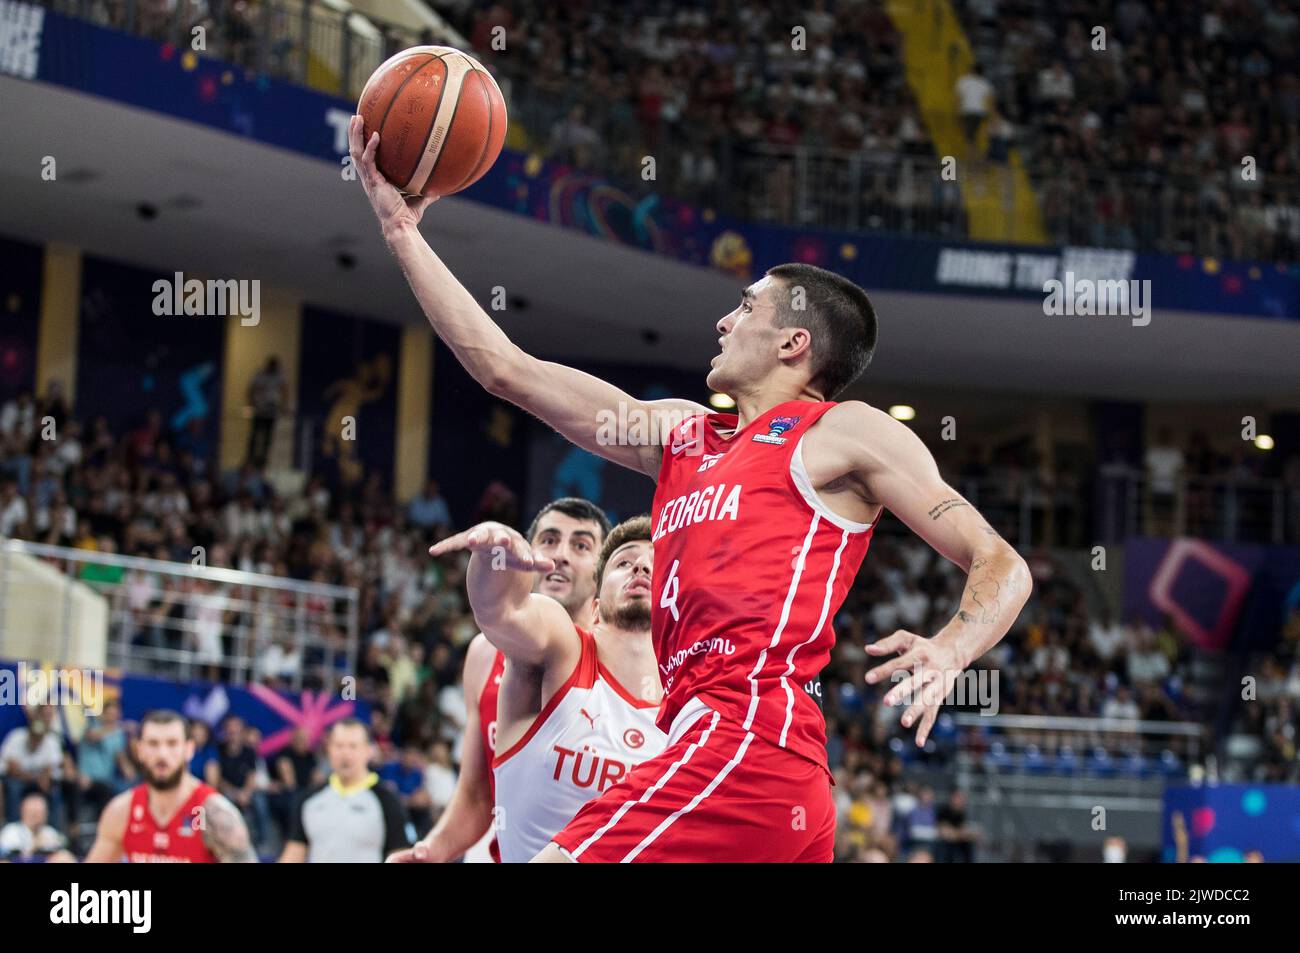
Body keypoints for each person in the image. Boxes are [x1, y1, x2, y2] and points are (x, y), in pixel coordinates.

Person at [349, 116, 1031, 862]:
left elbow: (1001, 561)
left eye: (744, 307)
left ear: (793, 342)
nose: (722, 318)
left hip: (743, 735)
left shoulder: (843, 434)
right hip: (750, 762)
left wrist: (951, 649)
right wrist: (401, 232)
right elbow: (508, 370)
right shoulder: (680, 435)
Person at [415, 515, 665, 862]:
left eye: (658, 563)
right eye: (624, 562)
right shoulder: (562, 653)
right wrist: (494, 556)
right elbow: (503, 611)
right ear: (594, 609)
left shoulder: (695, 711)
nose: (640, 566)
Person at [387, 497, 611, 863]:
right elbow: (477, 796)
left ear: (602, 571)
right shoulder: (483, 654)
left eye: (581, 545)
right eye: (550, 540)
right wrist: (433, 849)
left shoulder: (626, 658)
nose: (562, 555)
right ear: (529, 550)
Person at [85, 710, 254, 862]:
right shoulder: (122, 811)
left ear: (189, 749)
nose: (162, 754)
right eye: (153, 743)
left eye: (172, 743)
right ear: (140, 749)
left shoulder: (212, 813)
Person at [278, 719, 410, 863]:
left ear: (368, 751)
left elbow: (400, 854)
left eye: (353, 746)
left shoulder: (387, 800)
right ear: (329, 749)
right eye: (339, 746)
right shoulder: (308, 799)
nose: (345, 753)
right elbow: (294, 852)